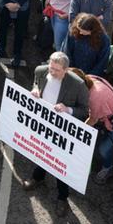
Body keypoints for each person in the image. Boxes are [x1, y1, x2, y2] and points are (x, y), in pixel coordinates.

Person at [22, 52, 89, 211]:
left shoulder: (78, 85)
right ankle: (38, 178)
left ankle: (62, 197)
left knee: (60, 164)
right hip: (43, 124)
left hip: (62, 131)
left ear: (66, 70)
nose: (52, 72)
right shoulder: (41, 70)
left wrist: (68, 110)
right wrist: (35, 89)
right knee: (41, 152)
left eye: (57, 70)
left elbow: (85, 111)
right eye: (51, 68)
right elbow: (36, 82)